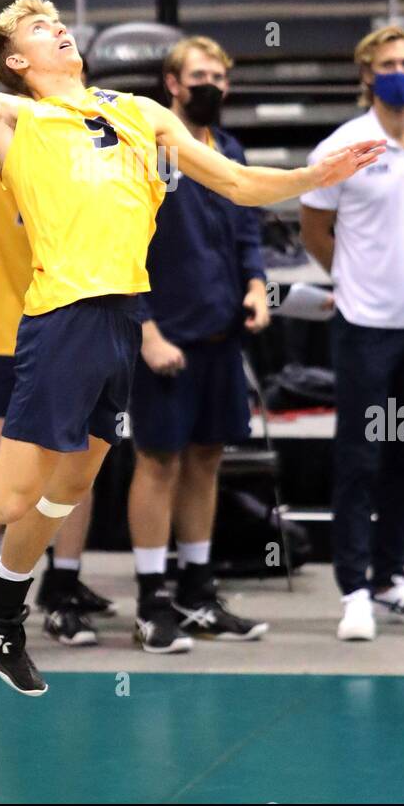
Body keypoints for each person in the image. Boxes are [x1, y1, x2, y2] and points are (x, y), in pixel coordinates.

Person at [0, 0, 384, 695]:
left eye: (58, 21)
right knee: (9, 494)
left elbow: (234, 182)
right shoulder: (15, 119)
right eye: (39, 29)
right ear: (17, 62)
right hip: (63, 318)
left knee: (70, 486)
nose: (59, 28)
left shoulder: (142, 113)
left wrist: (312, 179)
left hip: (121, 319)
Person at [299, 25, 404, 643]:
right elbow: (316, 228)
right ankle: (355, 592)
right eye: (389, 63)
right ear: (367, 74)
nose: (401, 71)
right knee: (358, 459)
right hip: (364, 328)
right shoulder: (341, 146)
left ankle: (392, 577)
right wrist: (352, 280)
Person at [128, 35, 270, 653]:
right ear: (173, 84)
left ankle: (196, 588)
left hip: (220, 337)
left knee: (208, 458)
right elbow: (121, 247)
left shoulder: (230, 150)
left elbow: (247, 232)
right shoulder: (146, 151)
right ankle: (151, 599)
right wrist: (147, 330)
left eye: (220, 74)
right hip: (165, 337)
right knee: (158, 462)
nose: (211, 83)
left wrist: (258, 285)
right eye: (199, 75)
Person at [0, 143, 113, 647]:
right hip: (3, 336)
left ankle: (62, 589)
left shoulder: (88, 149)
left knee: (75, 470)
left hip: (71, 334)